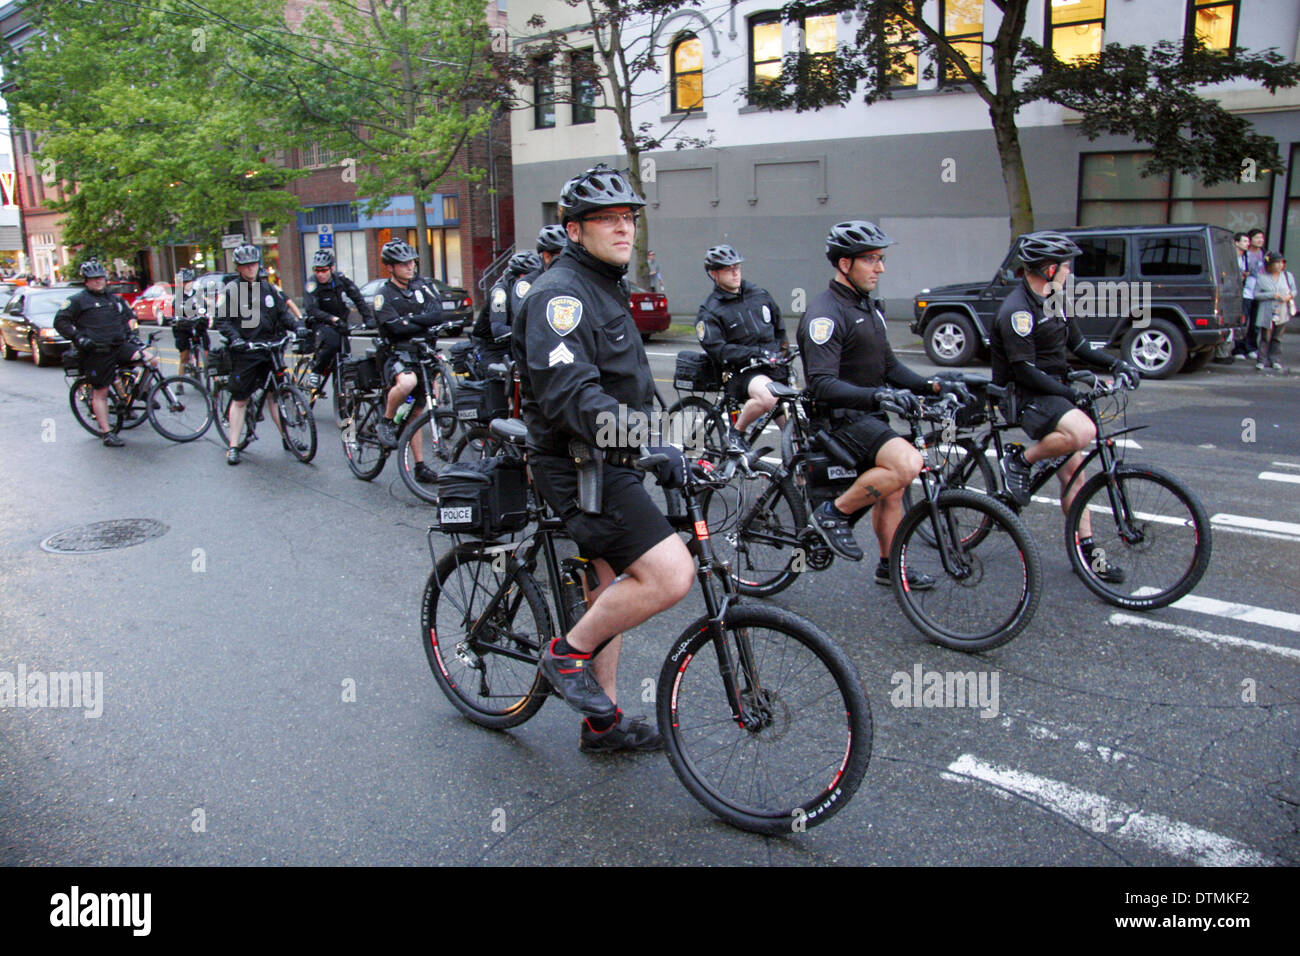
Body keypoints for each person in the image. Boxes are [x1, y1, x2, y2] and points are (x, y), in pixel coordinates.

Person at [514, 163, 694, 752]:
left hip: (607, 455)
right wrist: (645, 440)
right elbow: (572, 397)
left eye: (629, 218)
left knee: (610, 584)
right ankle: (565, 658)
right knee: (669, 574)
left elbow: (627, 382)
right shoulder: (558, 296)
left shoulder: (603, 285)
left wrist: (672, 436)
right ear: (573, 230)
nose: (623, 229)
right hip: (576, 463)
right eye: (607, 220)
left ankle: (603, 722)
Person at [798, 220, 965, 587]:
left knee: (895, 487)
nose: (880, 268)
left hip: (867, 416)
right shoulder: (826, 314)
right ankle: (833, 513)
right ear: (845, 264)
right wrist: (878, 395)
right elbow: (822, 385)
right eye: (871, 259)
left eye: (881, 258)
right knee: (907, 463)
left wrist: (933, 386)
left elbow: (888, 366)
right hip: (838, 421)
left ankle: (890, 567)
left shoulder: (868, 307)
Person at [989, 231, 1141, 582]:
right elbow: (1024, 371)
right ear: (1049, 268)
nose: (1071, 271)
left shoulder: (1056, 298)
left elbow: (1081, 344)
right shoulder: (1017, 311)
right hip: (1024, 396)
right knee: (1082, 431)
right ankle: (1021, 460)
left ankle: (1086, 552)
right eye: (1066, 265)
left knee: (1075, 473)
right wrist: (1071, 395)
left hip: (1054, 392)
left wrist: (1116, 364)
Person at [214, 244, 309, 465]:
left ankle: (287, 437)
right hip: (247, 352)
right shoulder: (232, 291)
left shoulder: (268, 289)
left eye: (253, 264)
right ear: (238, 268)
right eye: (245, 266)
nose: (250, 269)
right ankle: (233, 445)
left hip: (271, 349)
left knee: (275, 395)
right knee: (241, 399)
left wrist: (297, 327)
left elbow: (283, 314)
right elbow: (222, 321)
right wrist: (236, 339)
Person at [54, 259, 161, 446]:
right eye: (93, 279)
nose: (98, 282)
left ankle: (139, 392)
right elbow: (61, 322)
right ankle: (107, 432)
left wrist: (133, 334)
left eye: (100, 278)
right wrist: (79, 338)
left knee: (150, 360)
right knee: (100, 391)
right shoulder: (77, 301)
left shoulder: (113, 299)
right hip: (97, 350)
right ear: (86, 281)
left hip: (119, 345)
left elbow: (129, 318)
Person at [695, 243, 788, 443]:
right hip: (742, 373)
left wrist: (782, 351)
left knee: (795, 434)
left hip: (773, 366)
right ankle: (736, 434)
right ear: (714, 274)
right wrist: (754, 354)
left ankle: (798, 470)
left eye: (737, 267)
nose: (735, 273)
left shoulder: (759, 294)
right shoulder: (710, 310)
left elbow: (779, 327)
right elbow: (718, 349)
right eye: (728, 269)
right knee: (768, 398)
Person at [370, 239, 443, 478]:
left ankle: (420, 466)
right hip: (396, 352)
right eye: (403, 264)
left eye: (411, 262)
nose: (410, 267)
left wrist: (410, 321)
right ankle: (387, 420)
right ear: (390, 267)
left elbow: (437, 314)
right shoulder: (384, 294)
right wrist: (418, 321)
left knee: (418, 411)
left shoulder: (422, 288)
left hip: (421, 352)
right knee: (407, 384)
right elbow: (393, 328)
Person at [301, 249, 373, 391]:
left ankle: (342, 393)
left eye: (323, 270)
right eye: (317, 271)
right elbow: (311, 309)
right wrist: (331, 318)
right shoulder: (312, 284)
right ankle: (316, 372)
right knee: (332, 343)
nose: (320, 274)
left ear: (331, 268)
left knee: (345, 358)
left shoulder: (341, 280)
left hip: (341, 323)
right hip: (321, 322)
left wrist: (368, 318)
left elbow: (358, 298)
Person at [473, 250, 540, 371]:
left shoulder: (533, 292)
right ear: (521, 276)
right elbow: (498, 329)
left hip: (517, 345)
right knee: (498, 376)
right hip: (494, 347)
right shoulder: (500, 293)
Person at [1252, 253, 1295, 373]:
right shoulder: (1262, 277)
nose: (1280, 265)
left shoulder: (1287, 276)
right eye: (1277, 262)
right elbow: (1256, 295)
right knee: (1265, 336)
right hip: (1267, 310)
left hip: (1282, 310)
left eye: (1281, 263)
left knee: (1277, 337)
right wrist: (1271, 295)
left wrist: (1288, 296)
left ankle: (1275, 359)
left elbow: (1294, 290)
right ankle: (1261, 360)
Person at [170, 269, 209, 384]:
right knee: (184, 355)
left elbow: (204, 306)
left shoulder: (198, 295)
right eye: (184, 282)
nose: (187, 284)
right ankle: (179, 383)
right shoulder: (177, 296)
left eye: (189, 281)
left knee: (206, 346)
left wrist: (204, 312)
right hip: (183, 326)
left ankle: (211, 374)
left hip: (196, 324)